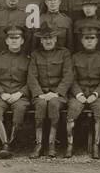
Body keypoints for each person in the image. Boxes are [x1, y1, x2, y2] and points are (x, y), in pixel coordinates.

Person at [28, 26, 74, 158]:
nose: (48, 41)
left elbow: (68, 75)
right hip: (40, 94)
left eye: (51, 38)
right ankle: (39, 144)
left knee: (54, 103)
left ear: (55, 39)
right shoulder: (35, 54)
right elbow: (32, 76)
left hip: (58, 95)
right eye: (45, 38)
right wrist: (39, 93)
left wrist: (57, 93)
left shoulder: (64, 53)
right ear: (41, 40)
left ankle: (52, 144)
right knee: (41, 104)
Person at [0, 26, 31, 159]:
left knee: (20, 108)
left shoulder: (28, 59)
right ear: (6, 41)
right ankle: (5, 144)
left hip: (20, 96)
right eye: (11, 38)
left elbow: (32, 80)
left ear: (22, 41)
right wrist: (1, 93)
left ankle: (11, 142)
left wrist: (20, 93)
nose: (14, 41)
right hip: (2, 95)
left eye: (17, 38)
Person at [67, 19, 100, 158]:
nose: (89, 41)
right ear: (81, 40)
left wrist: (96, 94)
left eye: (92, 38)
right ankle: (70, 144)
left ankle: (96, 145)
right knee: (72, 110)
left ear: (97, 40)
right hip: (79, 93)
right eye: (86, 38)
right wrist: (78, 94)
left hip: (97, 94)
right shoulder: (75, 57)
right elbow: (72, 79)